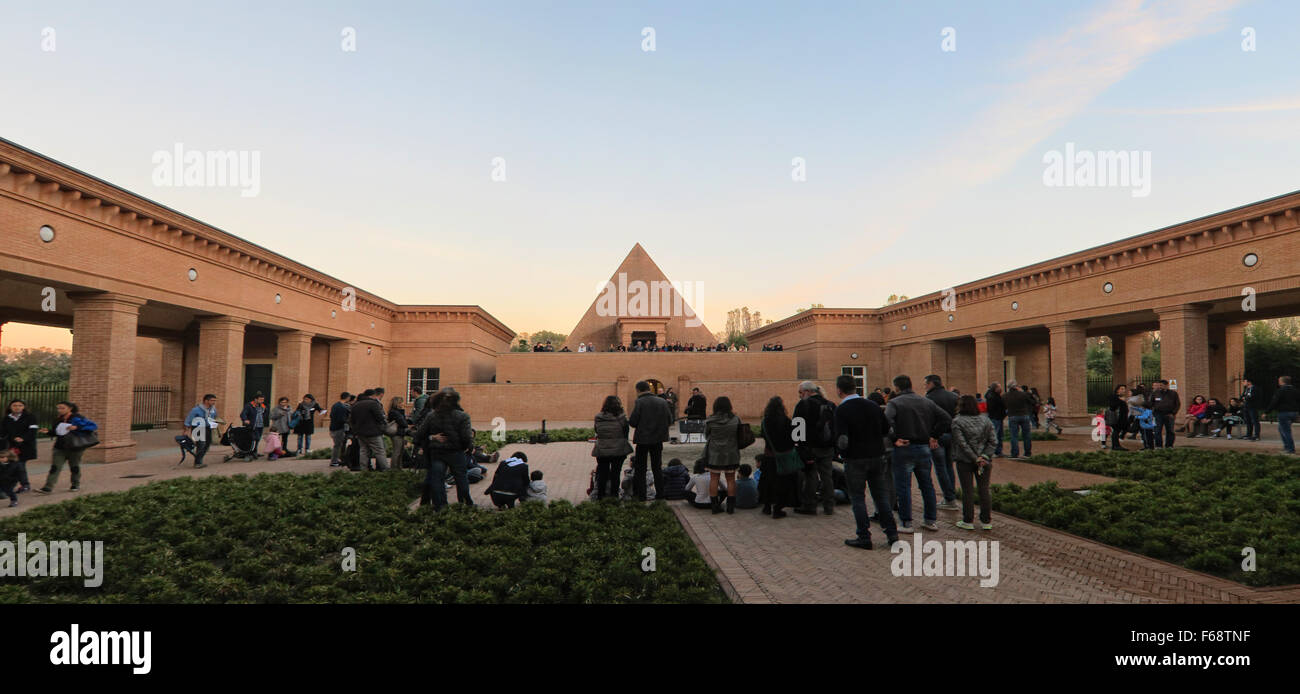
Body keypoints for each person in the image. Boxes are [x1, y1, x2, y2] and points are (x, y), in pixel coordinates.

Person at [834, 374, 897, 549]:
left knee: (858, 498)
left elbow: (842, 439)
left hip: (855, 459)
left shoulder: (842, 410)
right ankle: (892, 534)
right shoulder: (873, 406)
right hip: (877, 456)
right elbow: (887, 430)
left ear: (839, 390)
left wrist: (841, 453)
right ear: (855, 388)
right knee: (881, 496)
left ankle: (864, 536)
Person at [884, 375, 951, 533]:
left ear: (897, 388)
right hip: (923, 447)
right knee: (927, 485)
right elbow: (946, 418)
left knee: (903, 487)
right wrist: (934, 435)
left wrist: (894, 438)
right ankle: (930, 520)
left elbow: (885, 421)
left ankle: (906, 523)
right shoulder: (926, 401)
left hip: (904, 447)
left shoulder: (895, 402)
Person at [414, 388, 475, 508]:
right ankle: (465, 504)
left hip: (437, 452)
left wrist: (432, 438)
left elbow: (420, 434)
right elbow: (466, 437)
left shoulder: (432, 416)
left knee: (437, 479)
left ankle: (440, 506)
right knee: (461, 478)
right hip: (456, 452)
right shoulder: (463, 416)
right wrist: (466, 447)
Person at [949, 395, 996, 530]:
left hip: (965, 461)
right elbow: (993, 441)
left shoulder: (957, 421)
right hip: (984, 461)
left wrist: (975, 457)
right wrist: (985, 456)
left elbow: (962, 444)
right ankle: (986, 521)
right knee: (984, 490)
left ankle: (968, 520)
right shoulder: (986, 420)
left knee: (967, 490)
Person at [792, 381, 837, 515]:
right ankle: (829, 506)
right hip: (827, 446)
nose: (799, 396)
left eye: (800, 392)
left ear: (807, 391)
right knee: (827, 477)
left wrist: (798, 445)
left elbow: (796, 426)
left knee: (810, 476)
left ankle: (809, 505)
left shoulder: (803, 404)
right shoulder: (830, 404)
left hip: (810, 447)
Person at [36, 401, 97, 494]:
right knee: (55, 467)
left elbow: (93, 426)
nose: (60, 410)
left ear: (70, 408)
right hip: (60, 447)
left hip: (75, 446)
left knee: (74, 466)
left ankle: (75, 484)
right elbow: (57, 432)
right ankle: (48, 487)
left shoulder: (77, 418)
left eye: (62, 408)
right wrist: (48, 431)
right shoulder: (58, 419)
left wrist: (77, 428)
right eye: (58, 408)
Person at [628, 380, 672, 501]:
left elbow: (632, 422)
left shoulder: (640, 402)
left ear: (638, 390)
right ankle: (660, 494)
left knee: (640, 468)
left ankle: (641, 496)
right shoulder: (662, 402)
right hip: (658, 440)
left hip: (643, 440)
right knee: (657, 467)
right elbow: (670, 420)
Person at [759, 396, 800, 519]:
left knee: (767, 482)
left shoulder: (765, 422)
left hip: (769, 456)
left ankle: (766, 506)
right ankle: (778, 507)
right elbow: (792, 439)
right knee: (783, 483)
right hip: (784, 457)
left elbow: (763, 436)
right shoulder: (786, 421)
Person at [922, 375, 959, 511]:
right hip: (952, 435)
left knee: (940, 467)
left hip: (936, 437)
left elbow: (929, 419)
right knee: (949, 466)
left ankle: (949, 498)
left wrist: (933, 435)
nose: (924, 386)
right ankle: (951, 496)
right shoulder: (954, 397)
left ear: (931, 383)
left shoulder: (929, 399)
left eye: (925, 383)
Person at [703, 395, 742, 514]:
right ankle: (730, 507)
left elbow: (706, 435)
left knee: (714, 478)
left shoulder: (710, 420)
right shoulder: (735, 419)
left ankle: (714, 506)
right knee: (731, 479)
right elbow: (739, 434)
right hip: (731, 453)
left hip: (714, 453)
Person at [592, 395, 633, 500]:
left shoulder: (598, 417)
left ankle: (600, 496)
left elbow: (597, 431)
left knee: (602, 473)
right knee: (616, 473)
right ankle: (614, 496)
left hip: (602, 449)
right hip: (618, 449)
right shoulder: (622, 418)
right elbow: (626, 433)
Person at [2, 399, 39, 492]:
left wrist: (23, 438)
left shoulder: (30, 417)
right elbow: (3, 432)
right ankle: (20, 484)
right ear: (10, 407)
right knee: (15, 465)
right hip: (12, 447)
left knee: (19, 465)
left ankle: (23, 485)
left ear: (24, 407)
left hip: (26, 446)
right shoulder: (7, 418)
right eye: (14, 405)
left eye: (20, 405)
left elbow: (33, 431)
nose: (17, 407)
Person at [349, 389, 389, 471]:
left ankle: (364, 469)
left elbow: (351, 420)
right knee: (379, 451)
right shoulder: (373, 404)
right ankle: (385, 469)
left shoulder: (356, 405)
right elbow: (380, 417)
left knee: (363, 451)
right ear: (372, 395)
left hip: (360, 433)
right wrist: (383, 425)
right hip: (373, 432)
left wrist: (355, 430)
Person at [185, 394, 220, 469]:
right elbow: (189, 419)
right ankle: (197, 462)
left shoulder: (213, 409)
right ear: (206, 401)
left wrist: (214, 424)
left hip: (207, 428)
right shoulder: (196, 409)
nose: (214, 402)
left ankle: (199, 458)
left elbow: (214, 417)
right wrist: (186, 429)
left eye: (214, 401)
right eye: (212, 400)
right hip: (197, 428)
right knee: (201, 444)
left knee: (207, 443)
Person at [1267, 376, 1299, 454]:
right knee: (1282, 429)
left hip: (1284, 412)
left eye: (1279, 381)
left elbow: (1274, 402)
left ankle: (1290, 449)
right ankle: (1287, 447)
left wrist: (1267, 411)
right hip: (1294, 412)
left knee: (1285, 430)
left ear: (1282, 382)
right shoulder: (1295, 390)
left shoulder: (1280, 391)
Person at [1003, 380, 1033, 459]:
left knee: (1014, 436)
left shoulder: (1005, 395)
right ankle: (1027, 453)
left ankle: (1015, 453)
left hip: (1012, 416)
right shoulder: (1022, 394)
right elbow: (1031, 401)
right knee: (1026, 435)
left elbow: (1003, 405)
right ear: (1016, 386)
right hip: (1024, 415)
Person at [1148, 380, 1181, 448]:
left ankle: (1169, 445)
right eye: (1159, 385)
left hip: (1169, 414)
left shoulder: (1173, 393)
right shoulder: (1155, 393)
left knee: (1170, 430)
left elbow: (1177, 404)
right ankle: (1159, 445)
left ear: (1166, 385)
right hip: (1158, 414)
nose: (1160, 387)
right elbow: (1151, 403)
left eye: (1161, 385)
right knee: (1157, 430)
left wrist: (1173, 413)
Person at [329, 392, 351, 467]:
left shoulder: (335, 405)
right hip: (338, 428)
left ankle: (335, 460)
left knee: (337, 445)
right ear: (347, 398)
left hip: (333, 427)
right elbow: (341, 419)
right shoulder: (342, 407)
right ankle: (334, 461)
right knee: (337, 445)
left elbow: (331, 415)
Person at [984, 383, 1007, 457]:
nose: (1001, 389)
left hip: (997, 418)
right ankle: (994, 451)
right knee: (995, 435)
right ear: (995, 388)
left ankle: (998, 451)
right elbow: (994, 408)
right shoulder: (993, 396)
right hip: (996, 418)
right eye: (999, 387)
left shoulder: (994, 395)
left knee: (999, 435)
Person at [387, 396, 410, 469]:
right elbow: (403, 422)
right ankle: (394, 468)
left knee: (400, 451)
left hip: (399, 432)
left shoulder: (395, 412)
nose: (402, 404)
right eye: (401, 403)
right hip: (397, 433)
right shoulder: (394, 412)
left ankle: (399, 467)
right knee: (397, 452)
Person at [1107, 385, 1129, 451]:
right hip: (1117, 418)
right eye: (1121, 389)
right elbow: (1112, 406)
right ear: (1117, 390)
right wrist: (1120, 400)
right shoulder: (1114, 396)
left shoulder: (1121, 397)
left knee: (1119, 430)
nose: (1123, 390)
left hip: (1122, 417)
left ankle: (1116, 445)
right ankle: (1116, 446)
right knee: (1116, 431)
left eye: (1124, 389)